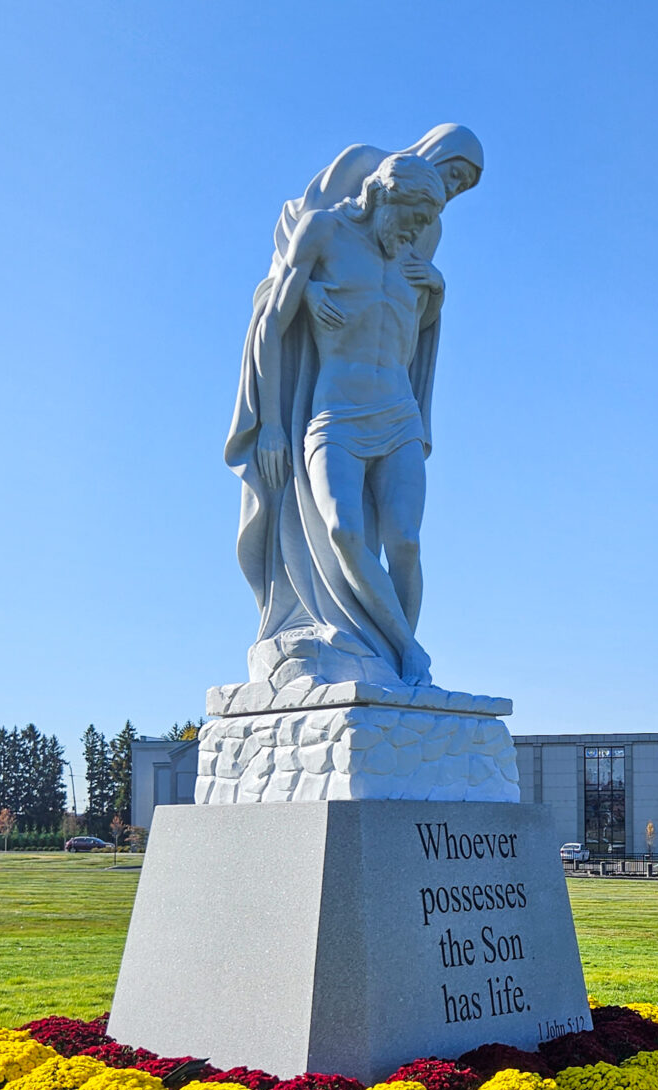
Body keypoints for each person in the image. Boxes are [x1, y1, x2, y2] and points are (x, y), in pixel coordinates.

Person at [225, 127, 484, 687]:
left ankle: (400, 664)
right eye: (413, 218)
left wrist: (436, 290)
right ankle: (404, 649)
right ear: (386, 197)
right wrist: (271, 423)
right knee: (343, 530)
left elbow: (414, 334)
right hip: (335, 415)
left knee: (406, 543)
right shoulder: (326, 232)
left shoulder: (415, 252)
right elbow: (272, 323)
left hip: (397, 415)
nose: (420, 232)